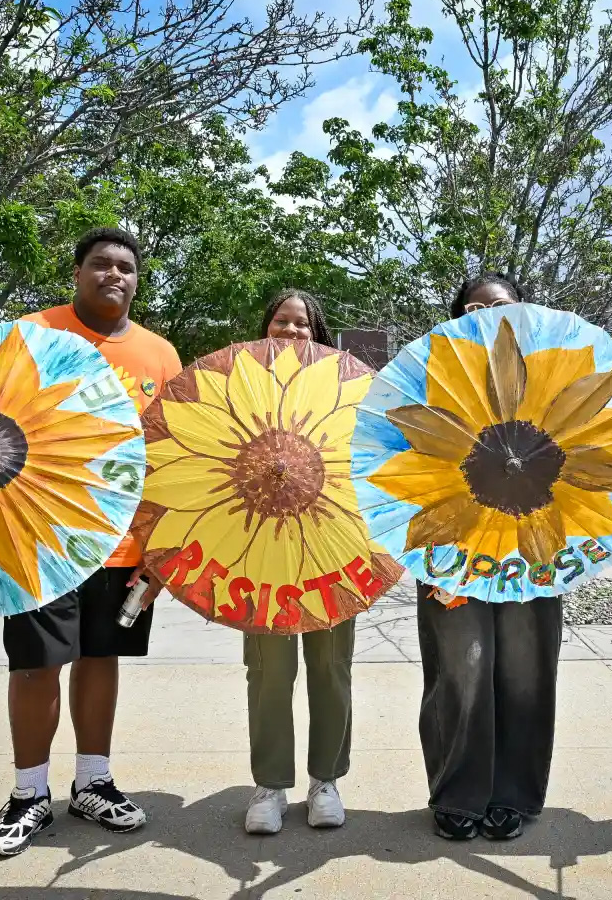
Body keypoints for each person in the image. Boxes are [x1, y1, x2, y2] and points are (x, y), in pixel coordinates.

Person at [0, 227, 182, 857]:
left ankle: (93, 783)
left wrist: (160, 554)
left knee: (102, 659)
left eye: (126, 267)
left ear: (137, 279)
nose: (114, 275)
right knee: (35, 664)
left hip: (124, 546)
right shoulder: (32, 334)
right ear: (77, 272)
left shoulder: (161, 356)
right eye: (101, 264)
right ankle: (28, 794)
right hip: (40, 539)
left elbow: (178, 458)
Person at [416, 272, 563, 843]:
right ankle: (457, 793)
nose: (487, 316)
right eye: (473, 308)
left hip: (536, 547)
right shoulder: (428, 378)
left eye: (500, 307)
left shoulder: (554, 378)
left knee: (526, 670)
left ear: (522, 314)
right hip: (452, 550)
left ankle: (516, 794)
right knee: (462, 669)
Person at [242, 288, 354, 835]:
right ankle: (269, 785)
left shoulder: (344, 385)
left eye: (302, 324)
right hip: (258, 553)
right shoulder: (237, 385)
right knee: (268, 672)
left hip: (333, 550)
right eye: (281, 322)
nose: (290, 332)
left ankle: (325, 780)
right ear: (266, 327)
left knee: (330, 669)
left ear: (318, 333)